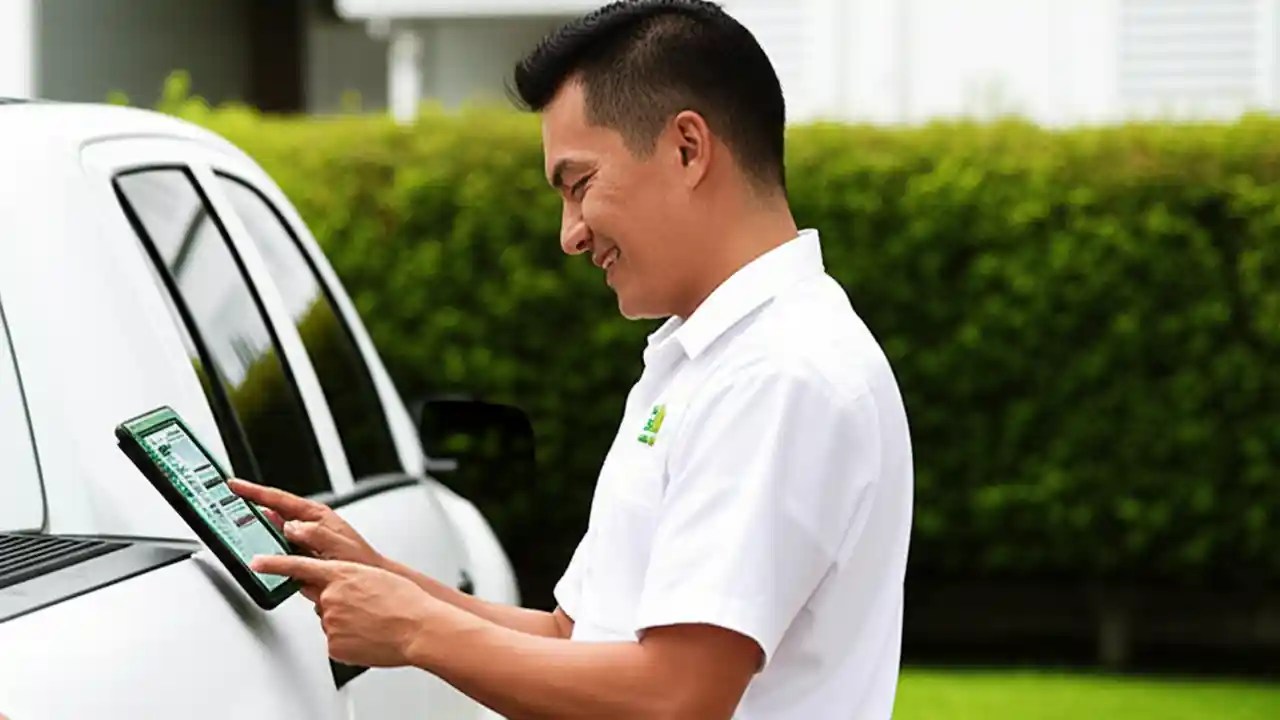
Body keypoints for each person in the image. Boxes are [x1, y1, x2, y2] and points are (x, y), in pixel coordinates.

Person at [237, 1, 913, 717]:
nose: (570, 235)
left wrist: (412, 627)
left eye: (579, 184)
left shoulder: (780, 375)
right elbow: (575, 637)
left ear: (688, 148)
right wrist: (385, 579)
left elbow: (675, 699)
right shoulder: (703, 363)